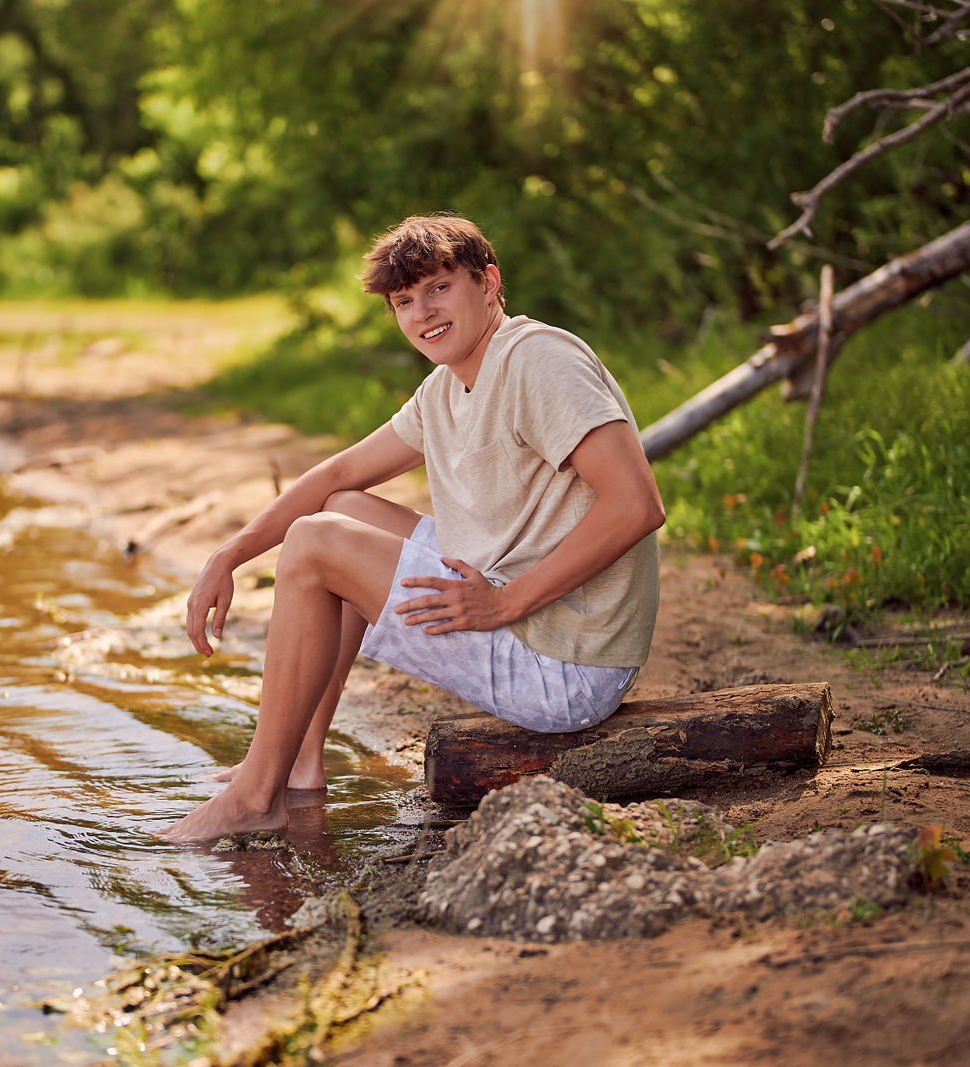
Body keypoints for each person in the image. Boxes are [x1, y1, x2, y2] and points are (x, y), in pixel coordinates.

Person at [157, 214, 663, 843]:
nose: (423, 314)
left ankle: (256, 795)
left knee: (316, 543)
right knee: (342, 508)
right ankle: (299, 765)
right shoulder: (446, 388)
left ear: (488, 283)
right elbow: (339, 473)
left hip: (567, 666)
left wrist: (505, 601)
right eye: (404, 301)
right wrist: (229, 555)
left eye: (438, 289)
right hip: (524, 616)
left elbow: (636, 505)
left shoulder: (537, 361)